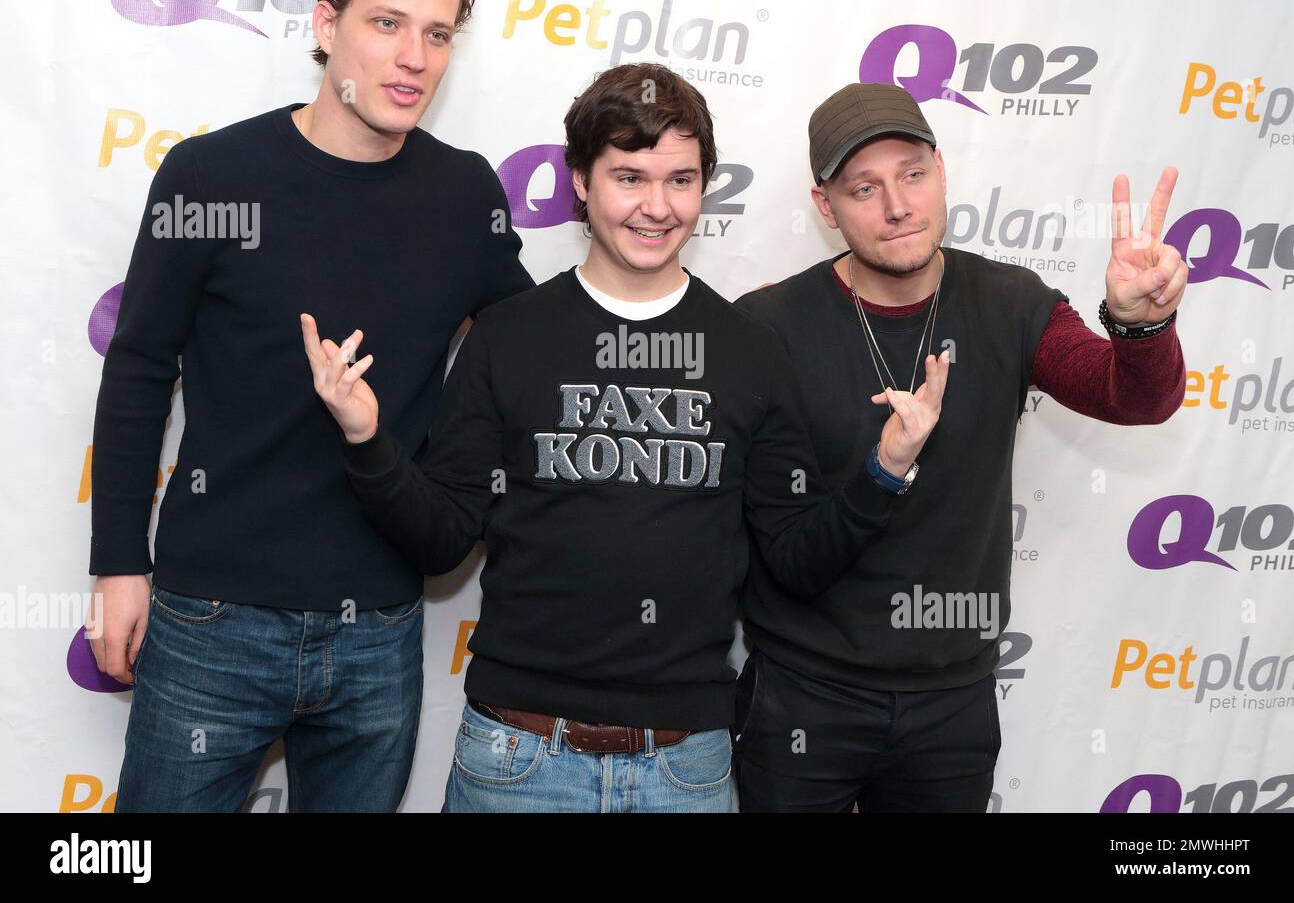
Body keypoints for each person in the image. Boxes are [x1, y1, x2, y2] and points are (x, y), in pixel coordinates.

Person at [301, 63, 948, 812]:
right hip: (516, 759)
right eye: (629, 177)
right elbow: (444, 538)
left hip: (686, 769)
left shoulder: (749, 349)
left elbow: (797, 559)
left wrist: (885, 469)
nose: (656, 206)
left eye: (680, 180)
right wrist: (368, 439)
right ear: (580, 180)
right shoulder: (509, 337)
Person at [87, 0, 533, 812]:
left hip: (380, 629)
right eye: (387, 23)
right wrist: (116, 562)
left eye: (437, 33)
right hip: (210, 618)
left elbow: (530, 351)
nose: (414, 56)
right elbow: (139, 369)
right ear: (326, 26)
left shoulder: (464, 196)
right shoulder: (210, 177)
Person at [731, 82, 1189, 812]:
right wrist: (884, 468)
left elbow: (1136, 397)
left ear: (942, 172)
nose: (897, 206)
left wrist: (1142, 327)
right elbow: (785, 554)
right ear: (826, 207)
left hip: (952, 706)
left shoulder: (1009, 303)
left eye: (913, 174)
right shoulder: (766, 329)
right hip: (803, 698)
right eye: (864, 187)